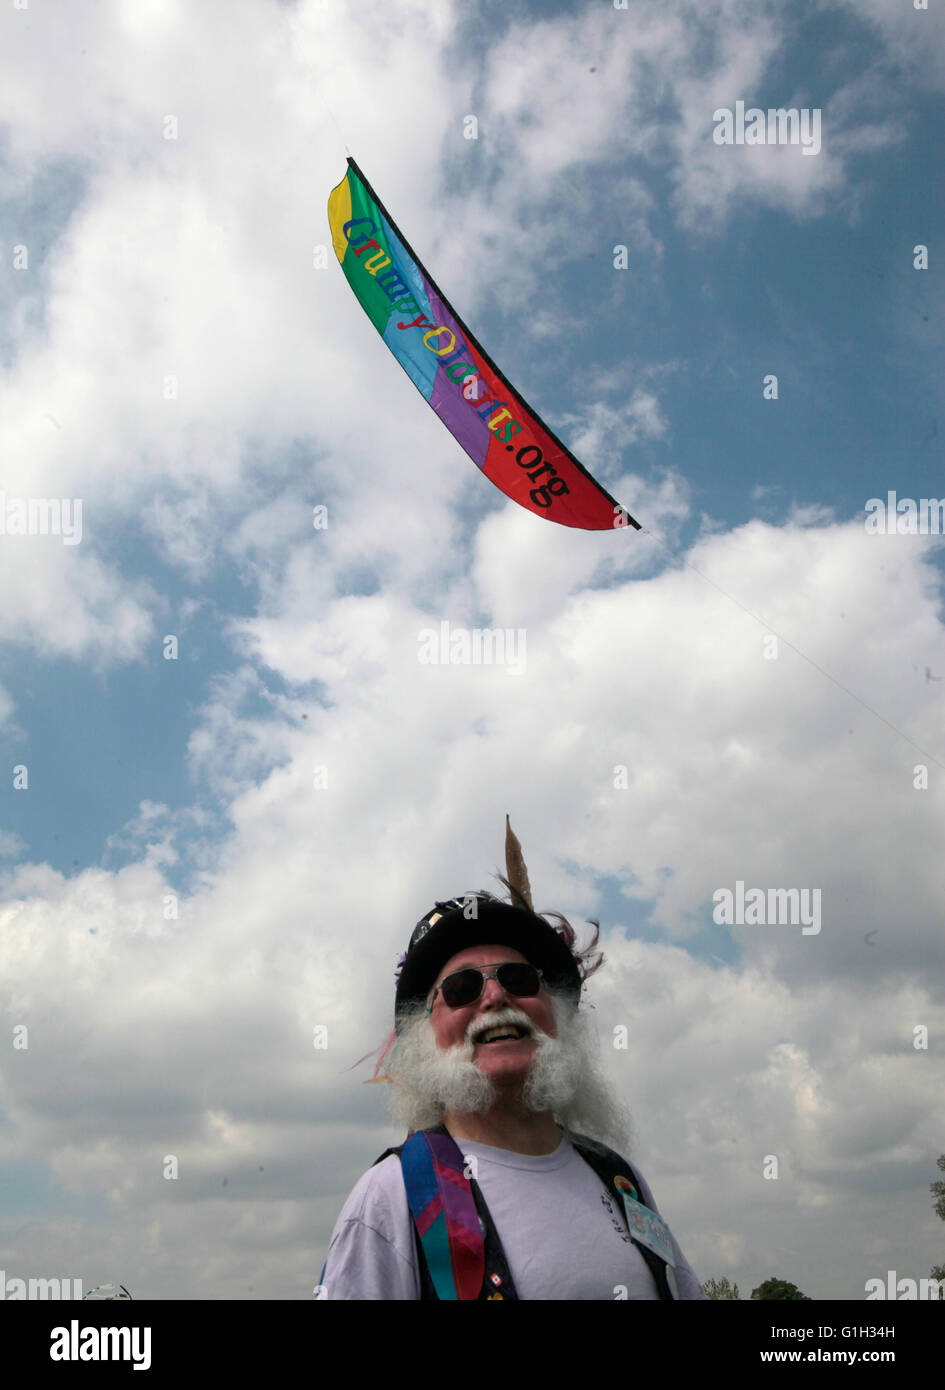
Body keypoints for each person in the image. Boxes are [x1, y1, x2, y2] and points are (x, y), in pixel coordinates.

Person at [319, 819, 707, 1300]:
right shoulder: (392, 1196)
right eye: (462, 988)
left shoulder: (619, 1179)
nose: (496, 995)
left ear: (555, 1014)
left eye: (520, 979)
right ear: (425, 1036)